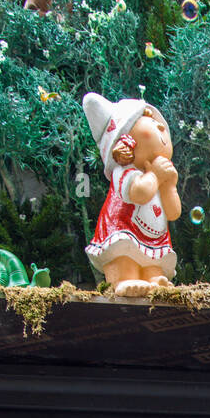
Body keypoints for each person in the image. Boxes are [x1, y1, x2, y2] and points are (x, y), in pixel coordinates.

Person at [82, 93, 181, 297]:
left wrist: (169, 186)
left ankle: (153, 277)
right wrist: (155, 175)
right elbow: (140, 193)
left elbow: (173, 213)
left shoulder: (162, 175)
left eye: (160, 123)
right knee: (124, 257)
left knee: (153, 262)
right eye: (150, 122)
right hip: (123, 230)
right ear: (125, 142)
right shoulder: (124, 171)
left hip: (153, 238)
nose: (161, 127)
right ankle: (124, 279)